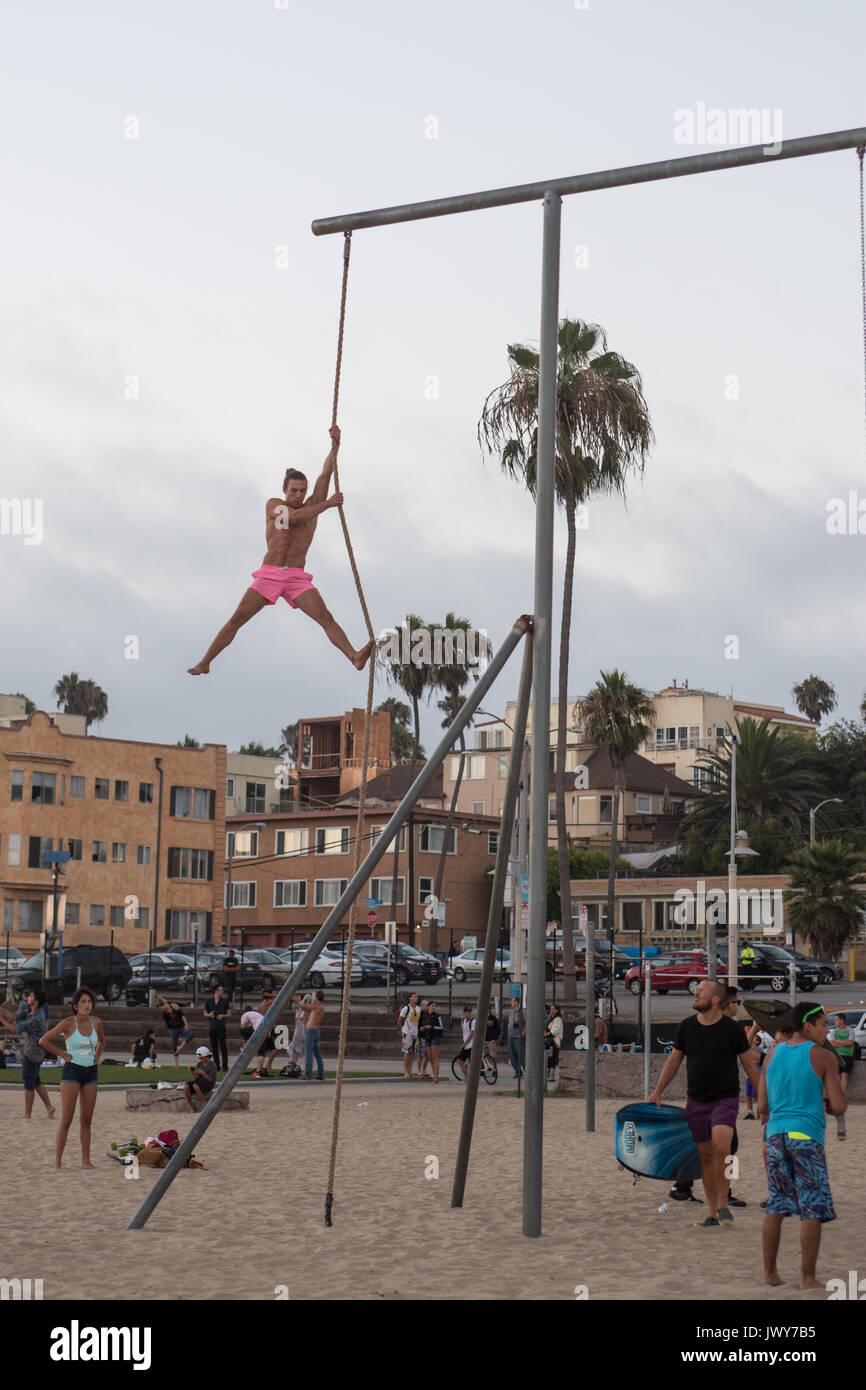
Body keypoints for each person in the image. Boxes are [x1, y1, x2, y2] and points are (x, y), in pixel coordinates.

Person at [188, 425, 375, 675]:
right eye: (293, 491)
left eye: (302, 491)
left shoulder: (312, 506)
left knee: (325, 617)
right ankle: (205, 662)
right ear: (284, 490)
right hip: (270, 574)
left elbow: (325, 473)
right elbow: (293, 517)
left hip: (296, 577)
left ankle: (354, 657)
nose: (298, 495)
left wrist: (335, 446)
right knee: (237, 619)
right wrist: (328, 504)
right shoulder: (274, 506)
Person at [647, 978, 761, 1228]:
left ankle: (723, 1201)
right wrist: (657, 1091)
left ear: (716, 999)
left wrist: (762, 1097)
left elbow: (749, 1063)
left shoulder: (731, 1029)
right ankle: (712, 1210)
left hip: (726, 1098)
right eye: (695, 990)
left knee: (724, 1147)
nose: (695, 994)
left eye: (701, 991)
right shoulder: (687, 1027)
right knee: (708, 1156)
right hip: (696, 1101)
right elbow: (674, 1061)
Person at [758, 1002, 846, 1289]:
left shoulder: (773, 1054)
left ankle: (770, 1273)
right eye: (823, 1024)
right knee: (812, 1205)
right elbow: (840, 1104)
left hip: (775, 1136)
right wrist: (830, 1105)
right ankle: (808, 1277)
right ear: (807, 1025)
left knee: (776, 1204)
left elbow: (764, 1104)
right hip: (805, 1136)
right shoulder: (822, 1057)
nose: (827, 1030)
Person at [39, 985, 105, 1169]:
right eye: (83, 1002)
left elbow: (102, 1041)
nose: (86, 1004)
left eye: (89, 1001)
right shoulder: (68, 1023)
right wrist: (62, 1053)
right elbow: (44, 1040)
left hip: (91, 1072)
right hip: (72, 1072)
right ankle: (58, 1161)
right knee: (67, 1119)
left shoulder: (97, 1022)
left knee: (86, 1119)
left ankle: (86, 1161)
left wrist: (97, 1056)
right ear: (75, 1005)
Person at [0, 987, 55, 1118]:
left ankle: (27, 1114)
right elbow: (15, 1017)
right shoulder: (33, 1010)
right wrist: (2, 1011)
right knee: (35, 1080)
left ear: (35, 1001)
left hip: (32, 1053)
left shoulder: (35, 1018)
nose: (28, 997)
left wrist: (1, 1019)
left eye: (30, 996)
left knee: (28, 1083)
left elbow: (14, 1029)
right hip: (36, 1052)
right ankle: (49, 1107)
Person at [296, 990, 325, 1080]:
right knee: (317, 1054)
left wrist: (301, 1000)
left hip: (311, 1030)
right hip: (316, 1030)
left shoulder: (316, 1006)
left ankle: (308, 1074)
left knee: (309, 1053)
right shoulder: (321, 1007)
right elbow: (306, 1009)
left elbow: (303, 1006)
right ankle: (320, 1075)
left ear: (316, 997)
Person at [203, 984, 231, 1072]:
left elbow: (229, 1014)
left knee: (223, 1046)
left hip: (221, 1026)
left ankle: (225, 1066)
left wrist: (223, 1016)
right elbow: (205, 1013)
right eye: (220, 990)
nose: (222, 992)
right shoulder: (209, 1002)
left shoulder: (225, 1002)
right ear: (216, 991)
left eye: (222, 990)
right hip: (212, 1026)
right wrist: (209, 1015)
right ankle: (217, 1066)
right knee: (214, 1047)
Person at [158, 998, 194, 1065]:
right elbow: (168, 1025)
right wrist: (171, 1034)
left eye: (161, 1008)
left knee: (190, 1035)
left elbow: (182, 1015)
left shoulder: (174, 1006)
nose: (161, 1010)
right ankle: (176, 1063)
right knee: (174, 1045)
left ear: (163, 1005)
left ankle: (182, 1045)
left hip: (181, 1026)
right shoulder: (164, 1014)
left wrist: (186, 1024)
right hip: (174, 1029)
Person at [828, 1013, 855, 1094]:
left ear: (842, 1020)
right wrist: (843, 1043)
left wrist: (839, 1042)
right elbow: (832, 1044)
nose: (834, 1021)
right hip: (837, 1056)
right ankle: (835, 1095)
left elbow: (850, 1042)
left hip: (847, 1056)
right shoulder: (834, 1032)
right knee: (837, 1076)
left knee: (844, 1075)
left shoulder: (850, 1030)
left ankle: (841, 1095)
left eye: (836, 1019)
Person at [185, 1045, 218, 1111]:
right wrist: (193, 1072)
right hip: (199, 1082)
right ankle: (189, 1103)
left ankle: (204, 1102)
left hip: (208, 1084)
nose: (201, 1060)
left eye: (202, 1058)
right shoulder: (199, 1064)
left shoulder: (213, 1065)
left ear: (207, 1057)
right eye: (200, 1058)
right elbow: (196, 1078)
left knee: (196, 1085)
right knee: (186, 1086)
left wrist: (203, 1073)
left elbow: (211, 1079)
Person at [397, 992, 422, 1080]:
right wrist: (402, 1030)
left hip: (415, 1033)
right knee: (407, 1051)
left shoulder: (418, 1009)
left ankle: (410, 1070)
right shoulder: (406, 1008)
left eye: (417, 997)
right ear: (410, 998)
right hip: (407, 1032)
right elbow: (400, 1020)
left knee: (412, 1052)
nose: (416, 998)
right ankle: (406, 1070)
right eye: (414, 997)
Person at [418, 1000, 443, 1083]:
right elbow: (423, 1025)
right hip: (427, 1037)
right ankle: (434, 1075)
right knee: (430, 1057)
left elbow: (441, 1027)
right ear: (428, 1007)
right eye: (432, 1005)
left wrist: (432, 1027)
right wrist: (424, 1028)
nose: (433, 1007)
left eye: (434, 1006)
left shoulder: (436, 1016)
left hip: (435, 1037)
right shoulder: (425, 1016)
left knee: (435, 1057)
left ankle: (436, 1077)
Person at [506, 995, 526, 1079]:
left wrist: (522, 1033)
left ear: (517, 1002)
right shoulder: (512, 1012)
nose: (512, 1003)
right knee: (512, 1055)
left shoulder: (522, 1012)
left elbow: (527, 1024)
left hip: (518, 1037)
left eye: (513, 1001)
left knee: (521, 1054)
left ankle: (527, 1070)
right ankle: (517, 1071)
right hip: (511, 1036)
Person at [455, 1004, 475, 1080]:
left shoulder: (473, 1021)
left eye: (469, 1012)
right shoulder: (463, 1021)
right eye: (467, 1012)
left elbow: (472, 1034)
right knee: (460, 1061)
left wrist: (464, 1043)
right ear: (464, 1013)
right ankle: (467, 1077)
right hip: (466, 1045)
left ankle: (471, 1078)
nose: (468, 1014)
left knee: (471, 1063)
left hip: (471, 1045)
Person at [545, 1002, 563, 1082]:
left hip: (554, 1041)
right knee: (549, 1058)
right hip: (549, 1041)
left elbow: (555, 1031)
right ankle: (549, 1074)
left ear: (556, 1010)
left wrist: (547, 1033)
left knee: (552, 1058)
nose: (551, 1010)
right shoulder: (551, 1019)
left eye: (553, 1009)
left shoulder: (557, 1019)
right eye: (550, 1009)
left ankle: (552, 1075)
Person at [290, 994, 309, 1067]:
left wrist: (306, 1033)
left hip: (303, 1031)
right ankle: (293, 1063)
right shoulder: (298, 1009)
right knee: (295, 1048)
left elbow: (307, 1021)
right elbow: (296, 1023)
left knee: (301, 1049)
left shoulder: (305, 1010)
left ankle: (306, 1065)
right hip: (298, 1032)